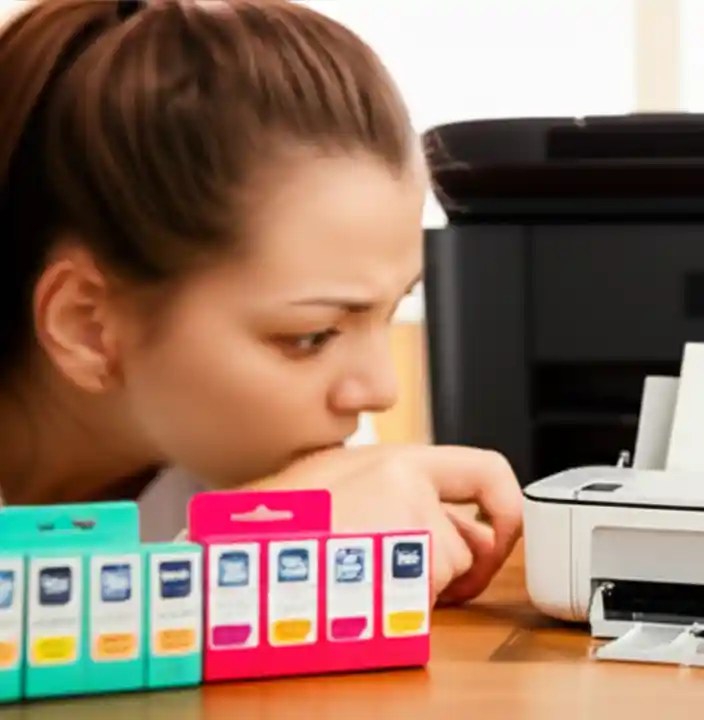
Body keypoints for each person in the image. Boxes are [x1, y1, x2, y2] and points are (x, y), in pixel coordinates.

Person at [0, 0, 523, 607]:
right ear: (86, 326)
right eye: (312, 336)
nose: (381, 390)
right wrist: (232, 554)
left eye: (389, 311)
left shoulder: (238, 447)